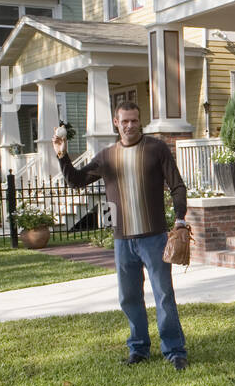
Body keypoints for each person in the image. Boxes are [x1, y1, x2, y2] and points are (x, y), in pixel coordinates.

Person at [53, 104, 190, 369]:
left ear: (140, 122)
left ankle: (174, 350)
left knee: (164, 294)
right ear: (116, 122)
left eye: (135, 120)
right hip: (122, 240)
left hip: (155, 237)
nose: (130, 125)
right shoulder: (107, 157)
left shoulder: (156, 149)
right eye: (125, 121)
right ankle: (138, 349)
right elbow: (76, 181)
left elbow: (177, 186)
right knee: (129, 297)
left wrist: (181, 218)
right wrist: (62, 156)